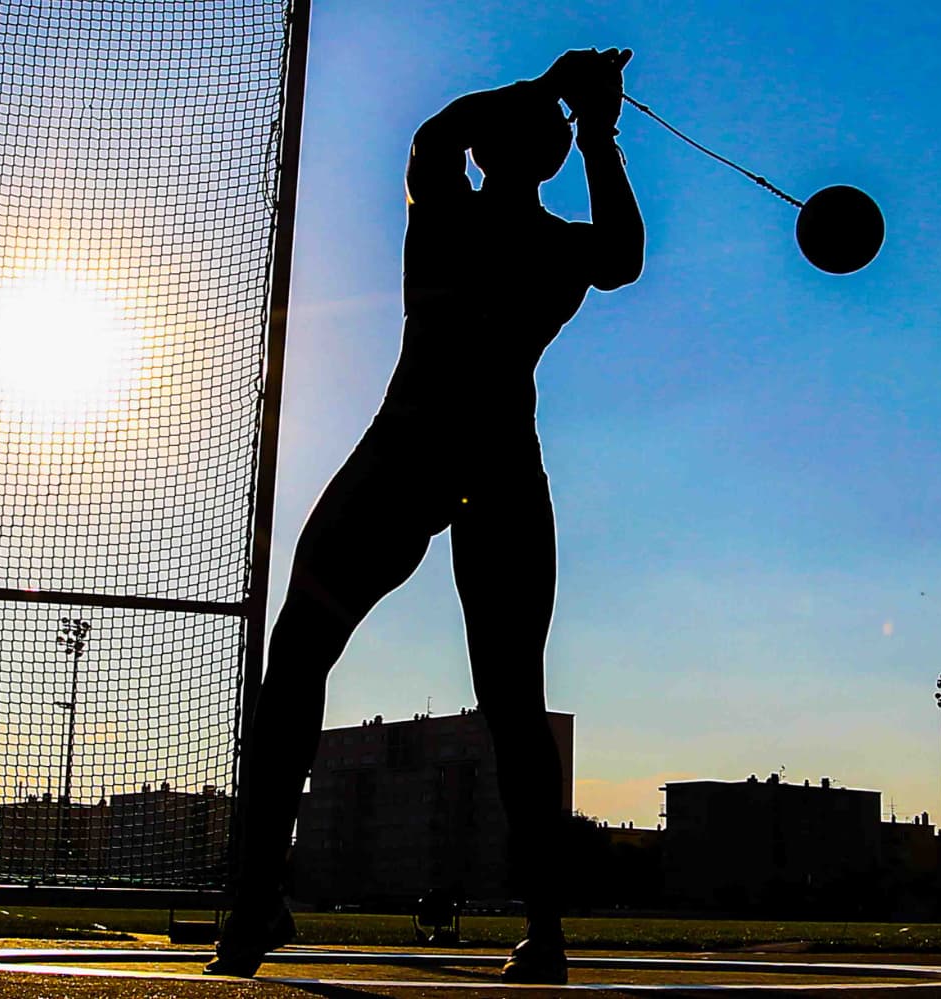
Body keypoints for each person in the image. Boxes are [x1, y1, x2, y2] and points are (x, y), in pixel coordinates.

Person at [208, 48, 644, 984]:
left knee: (300, 655)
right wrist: (597, 126)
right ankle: (547, 933)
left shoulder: (445, 211)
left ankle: (250, 906)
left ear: (493, 149)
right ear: (555, 157)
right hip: (497, 468)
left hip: (411, 453)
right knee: (513, 698)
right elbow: (624, 255)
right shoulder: (557, 251)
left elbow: (435, 134)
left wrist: (548, 85)